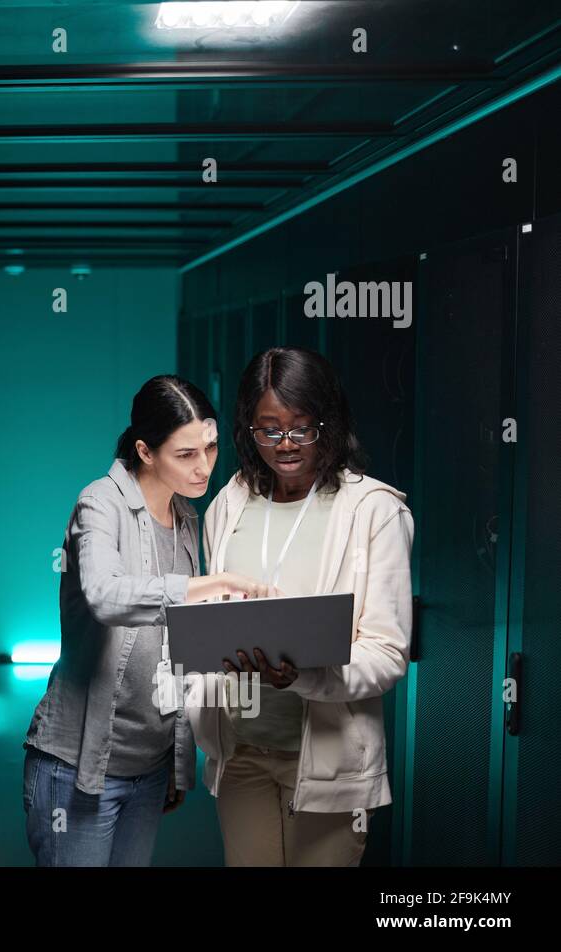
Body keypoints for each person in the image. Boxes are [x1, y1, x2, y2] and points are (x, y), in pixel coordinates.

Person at [22, 375, 269, 866]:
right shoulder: (99, 503)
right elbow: (105, 595)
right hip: (77, 767)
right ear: (146, 450)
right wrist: (208, 583)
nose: (204, 468)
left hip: (149, 769)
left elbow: (171, 651)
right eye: (186, 454)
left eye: (211, 448)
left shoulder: (186, 519)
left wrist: (176, 763)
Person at [185, 346, 414, 866]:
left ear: (327, 424)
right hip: (241, 754)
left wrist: (302, 677)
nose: (284, 445)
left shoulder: (374, 511)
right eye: (268, 430)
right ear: (248, 429)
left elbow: (387, 652)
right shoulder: (230, 504)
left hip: (329, 763)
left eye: (301, 428)